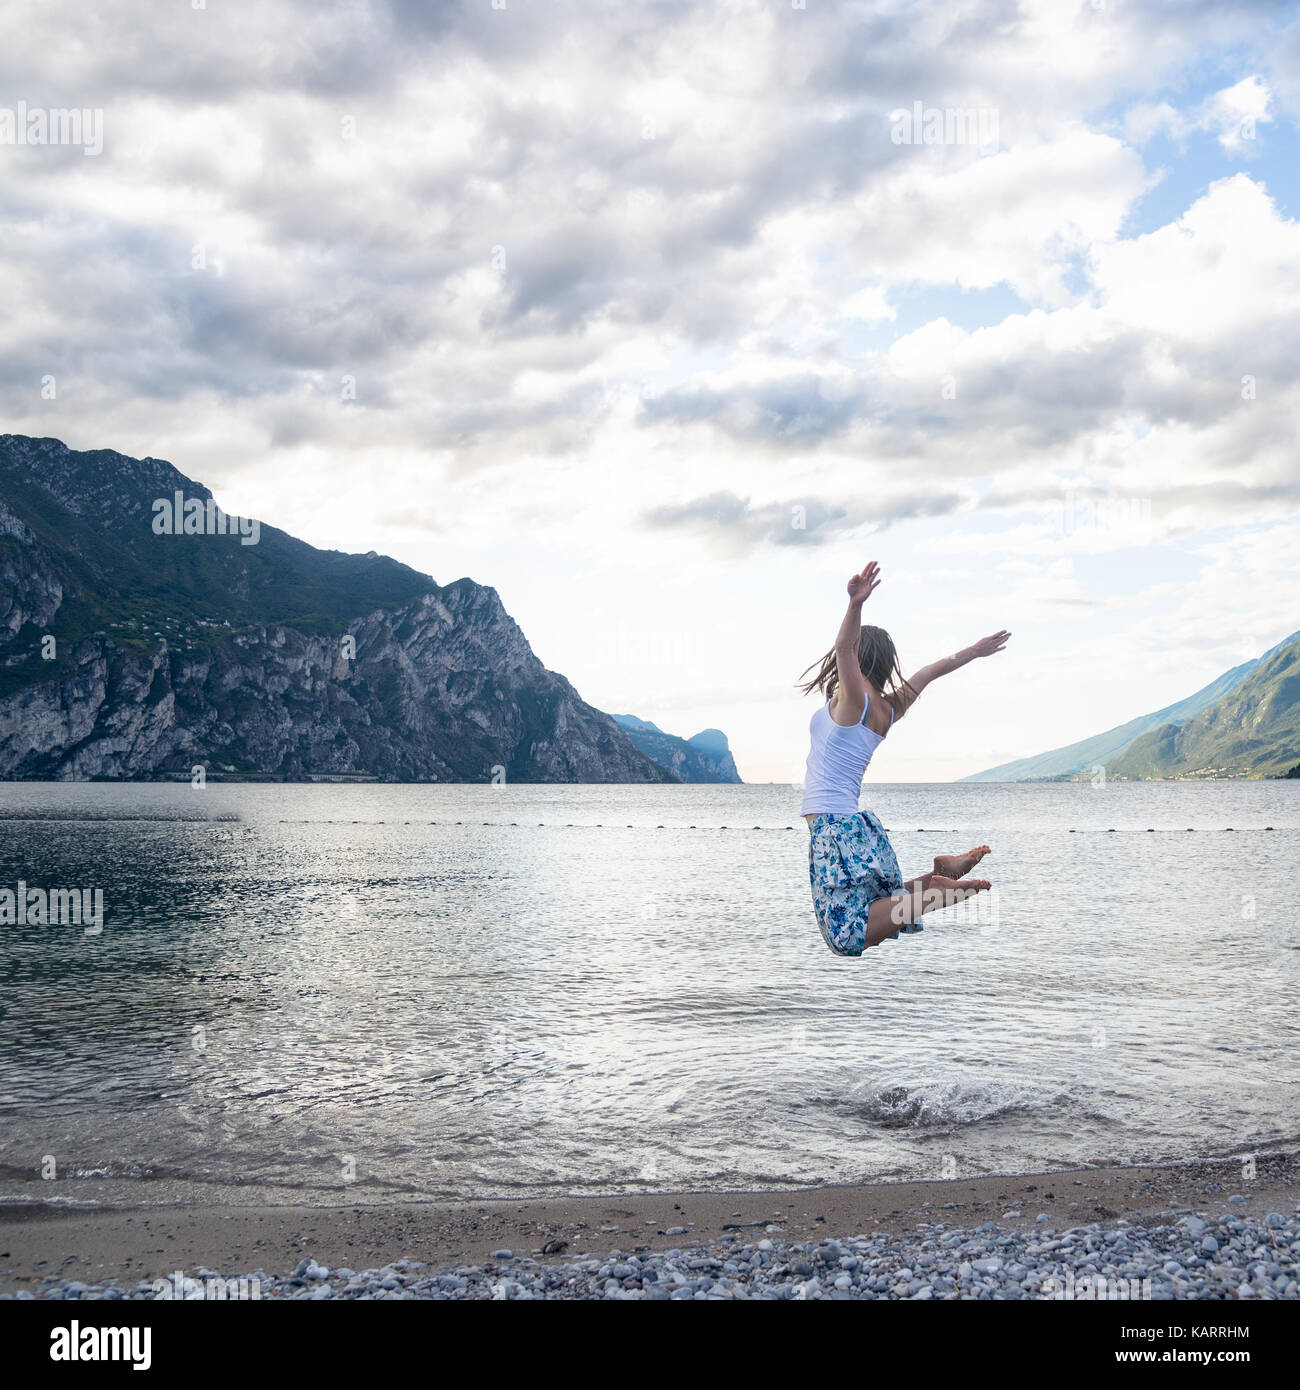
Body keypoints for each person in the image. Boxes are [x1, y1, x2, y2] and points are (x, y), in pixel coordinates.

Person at [798, 560, 1010, 956]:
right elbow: (930, 671)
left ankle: (937, 892)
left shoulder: (854, 702)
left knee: (847, 934)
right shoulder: (888, 708)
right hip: (854, 828)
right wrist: (974, 652)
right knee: (873, 909)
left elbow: (844, 646)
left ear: (860, 656)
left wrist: (855, 605)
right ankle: (938, 877)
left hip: (832, 826)